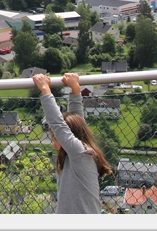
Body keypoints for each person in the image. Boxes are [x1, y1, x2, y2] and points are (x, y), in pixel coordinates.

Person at [33, 72, 112, 213]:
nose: (54, 144)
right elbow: (77, 122)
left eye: (55, 139)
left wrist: (45, 90)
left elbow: (58, 125)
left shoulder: (80, 152)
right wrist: (75, 90)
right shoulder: (81, 151)